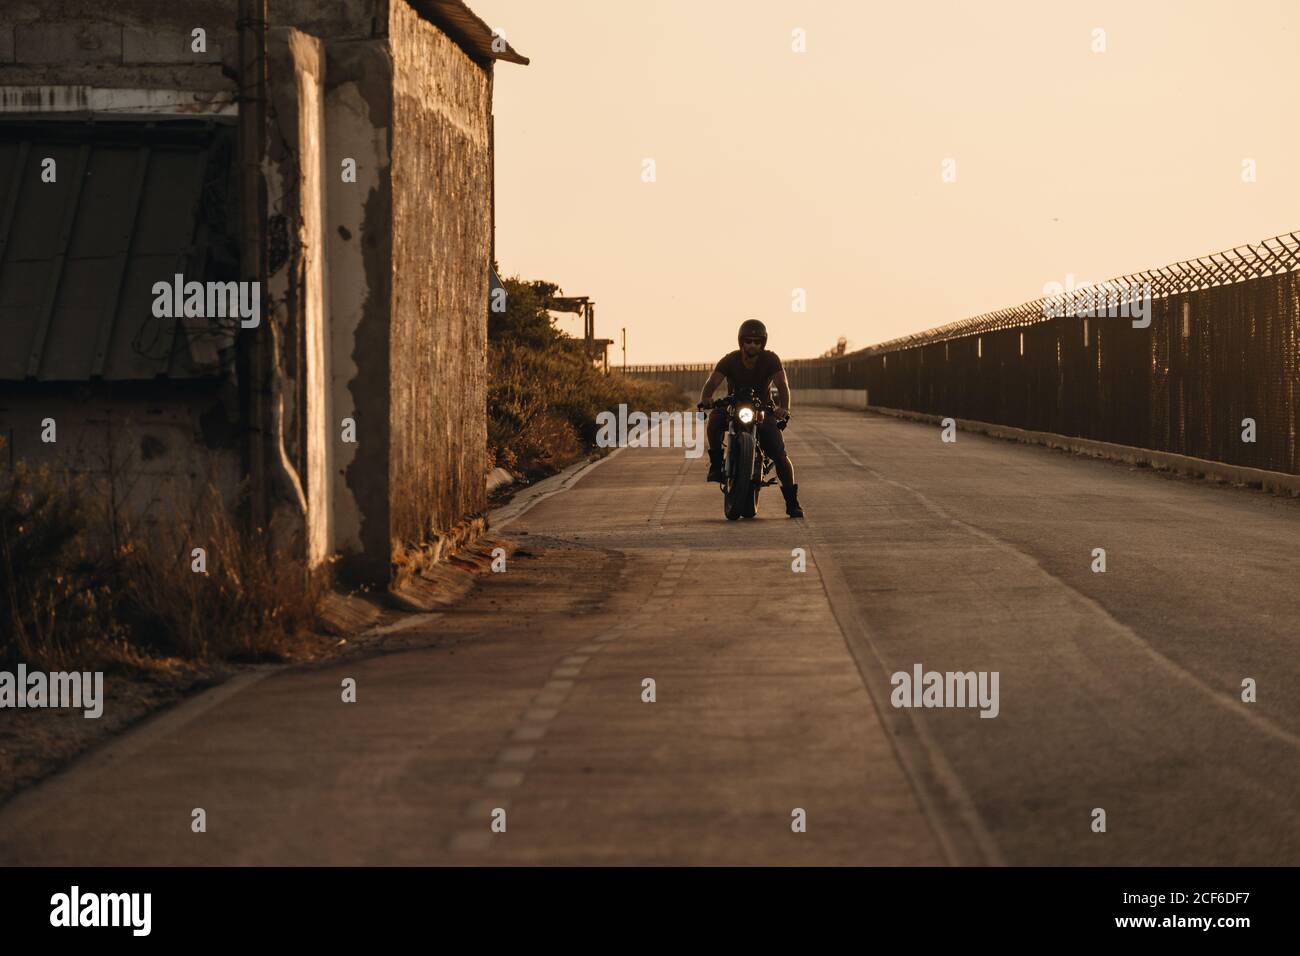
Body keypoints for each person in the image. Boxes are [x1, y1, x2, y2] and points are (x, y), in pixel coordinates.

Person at [697, 319, 804, 518]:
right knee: (714, 421)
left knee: (779, 454)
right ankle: (715, 463)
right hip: (733, 405)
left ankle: (792, 502)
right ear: (741, 342)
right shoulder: (730, 359)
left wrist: (784, 408)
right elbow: (712, 381)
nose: (752, 345)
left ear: (763, 343)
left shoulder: (771, 359)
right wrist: (706, 398)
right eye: (748, 341)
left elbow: (782, 384)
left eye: (757, 341)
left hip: (762, 410)